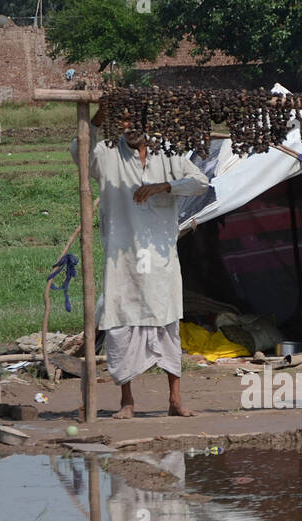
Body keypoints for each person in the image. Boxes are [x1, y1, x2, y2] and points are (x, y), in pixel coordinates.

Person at [70, 106, 211, 418]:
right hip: (123, 256)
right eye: (123, 119)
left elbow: (200, 181)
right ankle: (127, 402)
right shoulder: (107, 153)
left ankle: (175, 401)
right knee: (121, 324)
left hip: (160, 255)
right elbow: (77, 152)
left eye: (136, 121)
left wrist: (165, 186)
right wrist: (96, 118)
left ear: (149, 123)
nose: (130, 126)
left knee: (167, 324)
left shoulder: (168, 153)